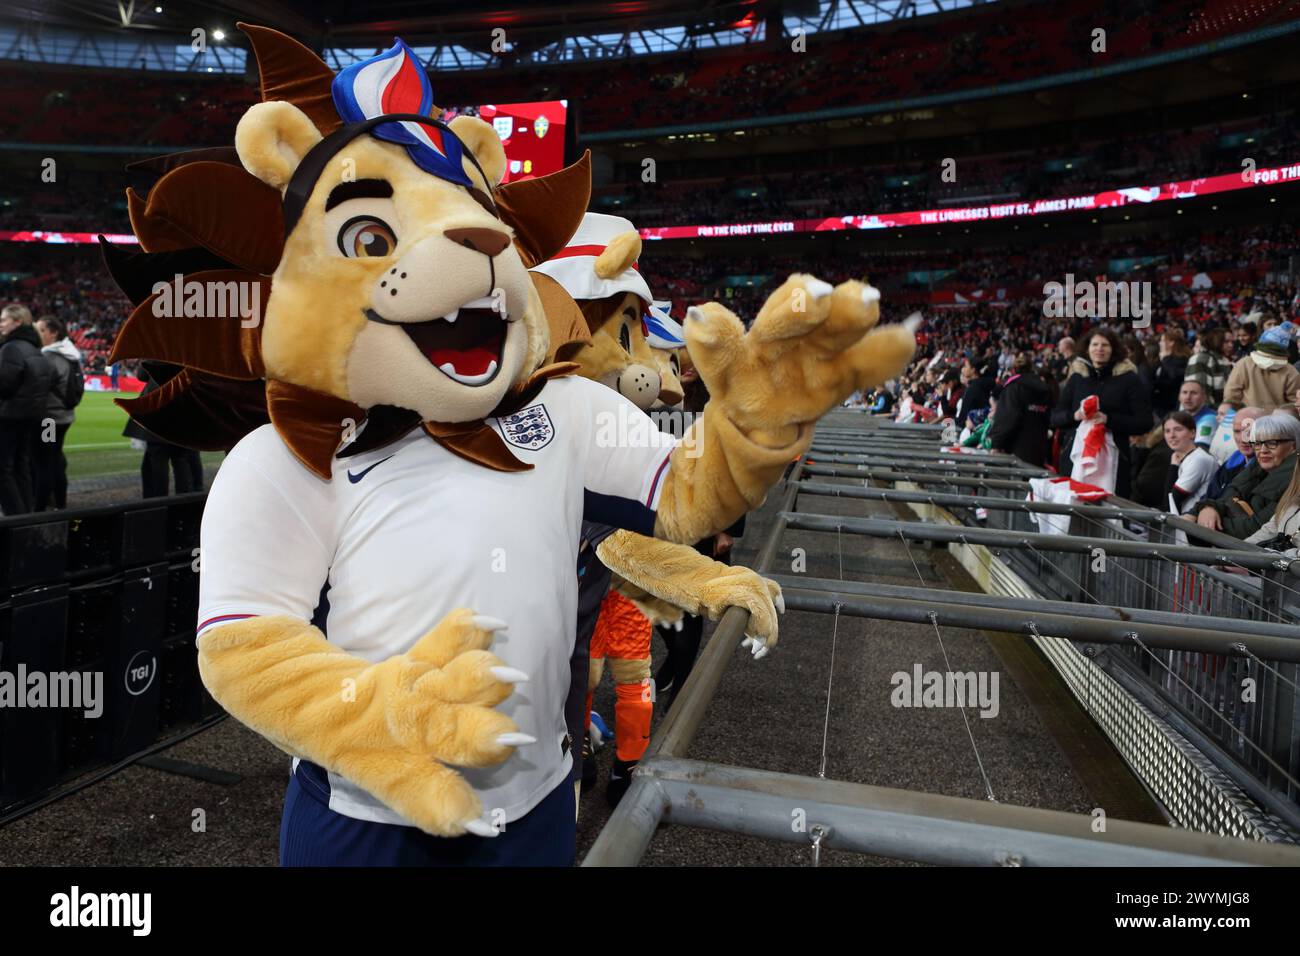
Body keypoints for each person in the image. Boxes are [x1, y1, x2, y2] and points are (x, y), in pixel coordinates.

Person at [1051, 328, 1152, 499]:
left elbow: (1144, 422)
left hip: (1114, 462)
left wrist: (1109, 419)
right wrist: (1074, 416)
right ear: (1087, 348)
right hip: (1074, 460)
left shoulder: (1129, 379)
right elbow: (1055, 417)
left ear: (1114, 349)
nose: (1099, 349)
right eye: (1095, 344)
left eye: (1105, 345)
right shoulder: (1077, 377)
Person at [1195, 412, 1300, 539]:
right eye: (1257, 443)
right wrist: (1209, 508)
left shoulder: (1294, 483)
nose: (1263, 450)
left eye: (1272, 443)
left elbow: (1255, 528)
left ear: (1293, 446)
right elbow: (1227, 496)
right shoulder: (1256, 467)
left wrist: (1207, 524)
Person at [0, 304, 53, 515]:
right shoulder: (34, 347)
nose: (0, 324)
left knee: (3, 469)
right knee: (21, 465)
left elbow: (5, 384)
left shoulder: (11, 348)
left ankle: (15, 518)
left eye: (3, 320)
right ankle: (26, 516)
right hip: (30, 416)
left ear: (17, 322)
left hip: (9, 415)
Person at [33, 315, 82, 510]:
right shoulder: (71, 354)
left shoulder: (50, 357)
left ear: (53, 333)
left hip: (49, 420)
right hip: (63, 417)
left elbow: (40, 388)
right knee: (55, 458)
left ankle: (41, 507)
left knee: (46, 461)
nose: (39, 334)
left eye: (42, 330)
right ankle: (59, 502)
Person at [987, 352, 1049, 466]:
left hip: (1015, 451)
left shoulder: (1014, 388)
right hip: (1039, 450)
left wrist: (996, 443)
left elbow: (1007, 418)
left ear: (1013, 370)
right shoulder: (1044, 388)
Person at [1222, 321, 1300, 412]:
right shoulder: (1291, 370)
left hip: (1247, 420)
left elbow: (1230, 395)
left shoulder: (1244, 363)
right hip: (1278, 423)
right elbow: (1294, 403)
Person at [1201, 406, 1264, 504]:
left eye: (1250, 431)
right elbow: (1210, 495)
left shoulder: (1269, 467)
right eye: (1237, 431)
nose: (1243, 439)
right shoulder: (1233, 460)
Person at [1161, 411, 1216, 515]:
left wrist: (1173, 467)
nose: (1172, 435)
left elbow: (1170, 503)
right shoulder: (1182, 458)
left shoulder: (1199, 459)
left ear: (1193, 433)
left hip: (1193, 526)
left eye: (1178, 429)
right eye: (1167, 431)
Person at [1185, 327, 1231, 406]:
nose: (1231, 345)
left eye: (1232, 342)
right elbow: (1198, 397)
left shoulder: (1223, 360)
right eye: (1226, 342)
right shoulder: (1201, 359)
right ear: (1215, 341)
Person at [1152, 331, 1190, 419]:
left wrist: (1165, 359)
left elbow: (1174, 375)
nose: (1160, 343)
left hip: (1172, 405)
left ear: (1171, 343)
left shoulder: (1180, 359)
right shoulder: (1163, 358)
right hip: (1162, 404)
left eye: (1162, 341)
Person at [1177, 379, 1217, 450]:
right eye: (1184, 392)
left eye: (1193, 393)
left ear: (1204, 397)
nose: (1188, 397)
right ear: (1179, 397)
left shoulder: (1210, 418)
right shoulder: (1178, 416)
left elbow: (1201, 448)